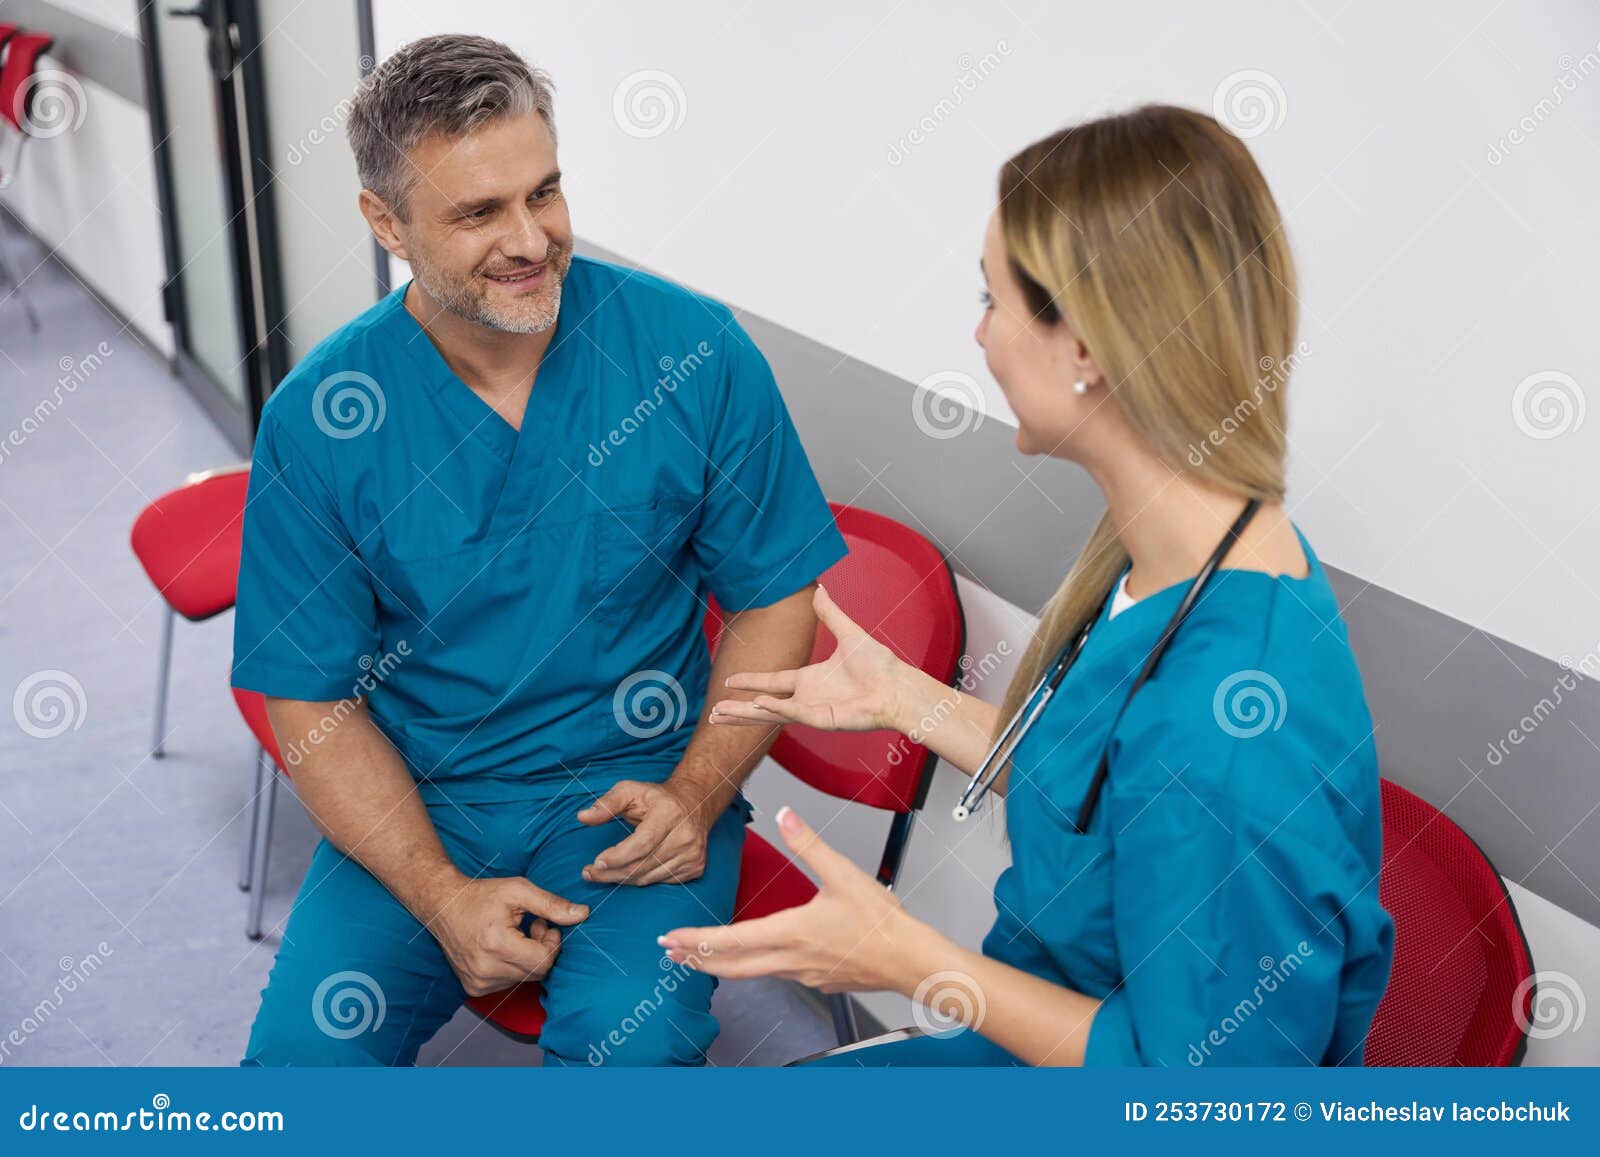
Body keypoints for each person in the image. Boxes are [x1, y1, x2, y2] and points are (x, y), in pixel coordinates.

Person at [665, 104, 1395, 1067]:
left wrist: (906, 956)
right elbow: (1095, 793)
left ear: (1087, 348)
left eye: (993, 299)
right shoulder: (1187, 561)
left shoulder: (1228, 734)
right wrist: (904, 700)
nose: (979, 335)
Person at [231, 34, 844, 1066]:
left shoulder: (691, 353)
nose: (530, 239)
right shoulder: (323, 418)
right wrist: (435, 890)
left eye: (544, 192)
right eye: (478, 212)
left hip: (636, 796)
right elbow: (309, 699)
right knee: (300, 1065)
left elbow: (776, 595)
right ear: (385, 222)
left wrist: (695, 792)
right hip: (418, 797)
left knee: (626, 1054)